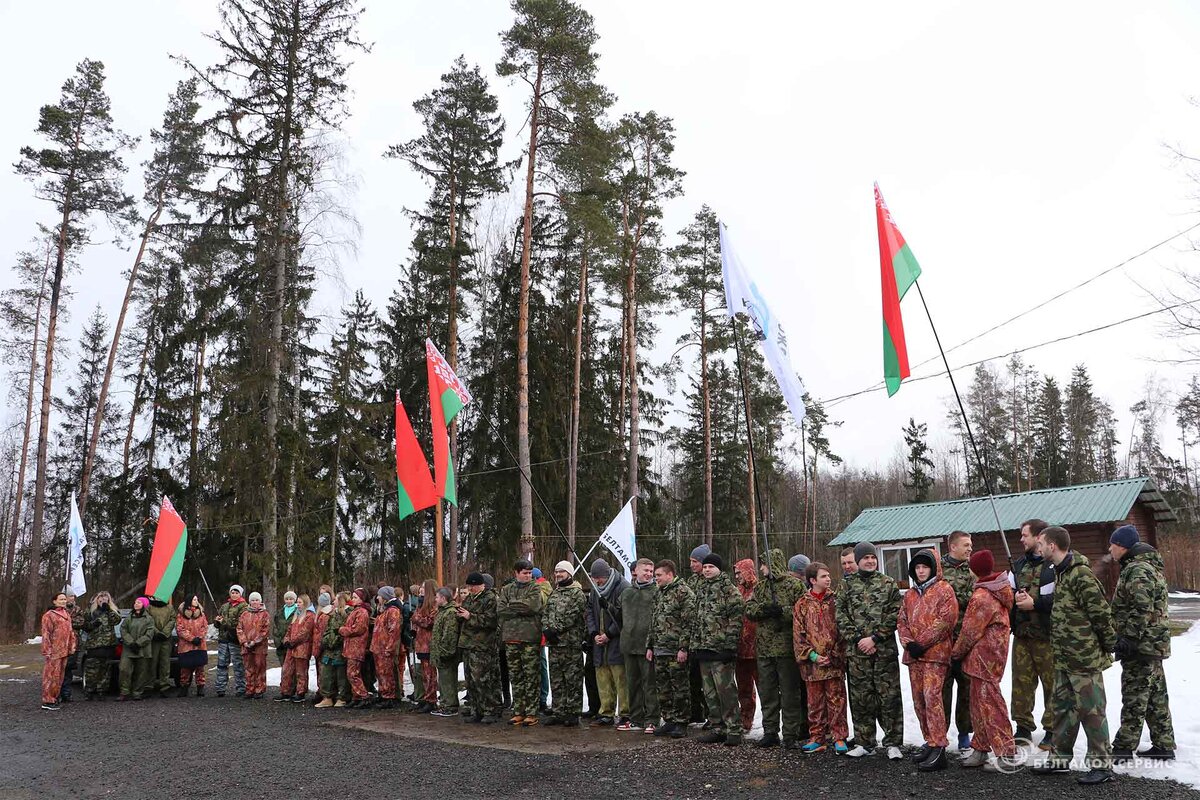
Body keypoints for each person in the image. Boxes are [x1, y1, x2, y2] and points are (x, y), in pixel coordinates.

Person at [1031, 526, 1117, 785]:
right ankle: (1059, 760)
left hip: (1084, 659)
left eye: (1042, 543)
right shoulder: (1061, 573)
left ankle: (1102, 766)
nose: (1039, 547)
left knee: (1092, 713)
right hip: (1064, 658)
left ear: (1053, 546)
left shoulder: (1081, 575)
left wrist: (1111, 644)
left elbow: (1101, 614)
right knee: (1062, 711)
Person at [1108, 525, 1175, 762]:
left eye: (1112, 544)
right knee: (1156, 695)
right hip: (1151, 645)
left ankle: (1124, 746)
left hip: (1141, 646)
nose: (1110, 549)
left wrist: (1129, 639)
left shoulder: (1137, 570)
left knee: (1135, 695)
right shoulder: (1143, 567)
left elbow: (1142, 607)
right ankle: (1164, 743)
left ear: (1123, 546)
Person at [952, 550, 1018, 771]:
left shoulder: (982, 596)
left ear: (974, 570)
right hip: (988, 657)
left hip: (984, 658)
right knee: (978, 705)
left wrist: (955, 653)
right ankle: (980, 748)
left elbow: (970, 631)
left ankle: (1007, 753)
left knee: (991, 705)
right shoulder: (997, 588)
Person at [837, 542, 903, 760]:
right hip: (857, 654)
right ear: (858, 560)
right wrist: (858, 640)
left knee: (889, 697)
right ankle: (864, 742)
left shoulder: (888, 583)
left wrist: (875, 638)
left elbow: (896, 614)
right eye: (865, 558)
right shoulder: (846, 586)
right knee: (861, 698)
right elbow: (840, 615)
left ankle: (893, 742)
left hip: (884, 652)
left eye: (872, 557)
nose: (870, 561)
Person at [898, 549, 958, 771]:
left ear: (933, 568)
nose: (921, 570)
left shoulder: (944, 590)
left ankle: (940, 747)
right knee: (918, 700)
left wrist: (921, 643)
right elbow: (901, 621)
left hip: (935, 655)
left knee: (932, 697)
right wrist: (908, 643)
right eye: (917, 567)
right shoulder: (910, 595)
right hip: (914, 656)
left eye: (925, 567)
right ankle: (930, 741)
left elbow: (946, 621)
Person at [744, 548, 808, 749]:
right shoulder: (761, 588)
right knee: (768, 693)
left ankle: (791, 732)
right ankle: (770, 731)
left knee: (790, 693)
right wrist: (764, 609)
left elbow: (804, 610)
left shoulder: (795, 585)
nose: (761, 568)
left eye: (764, 564)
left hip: (787, 649)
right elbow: (749, 609)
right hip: (764, 649)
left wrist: (783, 611)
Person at [793, 562, 848, 754]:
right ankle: (817, 737)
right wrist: (813, 656)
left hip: (834, 662)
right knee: (815, 703)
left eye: (828, 575)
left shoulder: (836, 600)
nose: (828, 579)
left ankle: (839, 737)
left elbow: (843, 630)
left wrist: (833, 655)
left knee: (837, 701)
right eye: (824, 576)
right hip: (812, 665)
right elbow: (798, 635)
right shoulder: (802, 604)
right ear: (812, 580)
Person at [1011, 518, 1056, 749]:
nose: (1021, 539)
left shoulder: (1053, 566)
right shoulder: (1017, 566)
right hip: (1022, 635)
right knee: (1021, 683)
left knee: (1052, 684)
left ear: (1039, 537)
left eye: (1024, 535)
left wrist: (1034, 603)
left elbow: (1059, 599)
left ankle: (1052, 729)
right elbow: (1008, 598)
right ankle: (1023, 727)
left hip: (1047, 637)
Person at [692, 553, 745, 746]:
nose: (706, 570)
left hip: (721, 650)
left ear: (718, 569)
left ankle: (734, 729)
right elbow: (697, 619)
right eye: (705, 567)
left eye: (710, 567)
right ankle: (717, 728)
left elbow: (736, 619)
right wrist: (694, 644)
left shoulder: (729, 590)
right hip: (703, 649)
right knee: (710, 693)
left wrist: (729, 646)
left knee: (726, 692)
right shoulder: (701, 589)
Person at [646, 559, 696, 739]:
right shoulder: (659, 593)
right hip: (659, 649)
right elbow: (654, 620)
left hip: (675, 650)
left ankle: (681, 722)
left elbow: (688, 622)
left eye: (658, 575)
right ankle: (668, 720)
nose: (655, 578)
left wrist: (683, 647)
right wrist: (650, 645)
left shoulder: (684, 593)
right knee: (663, 688)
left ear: (669, 574)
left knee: (680, 688)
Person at [498, 559, 546, 726]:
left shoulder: (535, 588)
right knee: (516, 677)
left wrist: (513, 606)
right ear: (516, 573)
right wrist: (518, 607)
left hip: (529, 638)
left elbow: (532, 607)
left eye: (529, 573)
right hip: (511, 638)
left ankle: (532, 712)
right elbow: (501, 610)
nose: (528, 576)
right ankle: (519, 710)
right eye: (524, 573)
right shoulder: (506, 589)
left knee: (531, 676)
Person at [942, 531, 975, 750]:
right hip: (941, 643)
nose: (970, 548)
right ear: (953, 547)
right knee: (941, 691)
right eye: (966, 545)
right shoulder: (938, 573)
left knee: (966, 690)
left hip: (964, 642)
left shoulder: (972, 575)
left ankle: (964, 734)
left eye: (971, 544)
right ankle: (938, 735)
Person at [618, 557, 660, 732]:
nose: (649, 574)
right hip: (629, 644)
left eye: (651, 572)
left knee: (649, 684)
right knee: (632, 683)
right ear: (636, 571)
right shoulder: (627, 593)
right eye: (646, 571)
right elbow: (619, 615)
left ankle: (652, 719)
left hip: (647, 645)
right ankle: (636, 718)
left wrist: (652, 644)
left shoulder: (656, 593)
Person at [543, 560, 587, 727]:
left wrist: (555, 630)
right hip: (554, 645)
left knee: (572, 680)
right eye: (556, 572)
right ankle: (558, 711)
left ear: (569, 573)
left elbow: (572, 615)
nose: (558, 574)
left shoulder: (577, 593)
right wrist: (547, 630)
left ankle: (573, 712)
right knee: (557, 680)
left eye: (561, 571)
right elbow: (546, 613)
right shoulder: (554, 593)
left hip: (570, 644)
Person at [586, 558, 628, 727]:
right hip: (599, 643)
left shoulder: (622, 587)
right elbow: (589, 611)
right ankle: (606, 712)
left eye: (599, 578)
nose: (597, 582)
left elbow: (624, 615)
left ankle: (625, 713)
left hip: (616, 642)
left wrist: (609, 634)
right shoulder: (595, 589)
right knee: (602, 678)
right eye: (595, 579)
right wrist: (594, 633)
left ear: (606, 574)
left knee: (621, 678)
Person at [458, 572, 501, 723]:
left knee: (483, 679)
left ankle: (490, 709)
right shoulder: (469, 599)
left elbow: (491, 621)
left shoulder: (490, 598)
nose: (471, 589)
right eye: (469, 586)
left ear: (481, 585)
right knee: (470, 679)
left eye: (473, 586)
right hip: (468, 644)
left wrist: (471, 616)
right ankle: (477, 709)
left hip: (483, 646)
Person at [686, 544, 710, 725]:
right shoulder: (691, 581)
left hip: (708, 637)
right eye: (691, 561)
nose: (692, 565)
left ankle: (712, 714)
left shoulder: (710, 581)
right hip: (692, 636)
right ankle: (696, 712)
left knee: (708, 682)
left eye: (695, 561)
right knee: (693, 678)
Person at [733, 558, 757, 734]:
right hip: (740, 649)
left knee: (764, 688)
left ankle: (771, 723)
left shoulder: (760, 590)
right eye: (735, 574)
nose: (737, 577)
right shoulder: (736, 592)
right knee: (744, 688)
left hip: (757, 649)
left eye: (739, 573)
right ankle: (745, 719)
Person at [40, 592, 76, 710]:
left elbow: (70, 632)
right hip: (54, 651)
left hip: (64, 650)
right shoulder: (49, 615)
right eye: (61, 599)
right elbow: (46, 633)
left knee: (60, 676)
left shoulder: (66, 613)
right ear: (54, 601)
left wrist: (72, 646)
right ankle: (48, 700)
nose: (64, 601)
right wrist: (47, 650)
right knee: (51, 676)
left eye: (65, 599)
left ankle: (55, 696)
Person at [316, 592, 351, 708]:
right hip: (329, 649)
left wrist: (335, 641)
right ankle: (327, 697)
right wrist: (326, 641)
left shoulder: (348, 613)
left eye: (335, 599)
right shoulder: (333, 614)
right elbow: (328, 630)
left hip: (340, 649)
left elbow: (343, 631)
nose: (333, 602)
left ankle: (342, 697)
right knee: (327, 673)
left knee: (341, 675)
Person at [431, 587, 462, 717]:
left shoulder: (449, 613)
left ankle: (450, 705)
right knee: (443, 680)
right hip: (440, 652)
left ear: (443, 598)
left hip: (446, 653)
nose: (435, 599)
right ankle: (444, 703)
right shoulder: (442, 612)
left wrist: (445, 652)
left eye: (437, 597)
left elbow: (449, 635)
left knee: (448, 679)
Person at [83, 591, 121, 699]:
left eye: (105, 598)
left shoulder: (112, 611)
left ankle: (102, 691)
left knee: (105, 671)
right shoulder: (91, 611)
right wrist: (92, 624)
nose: (102, 600)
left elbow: (117, 621)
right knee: (91, 670)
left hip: (108, 645)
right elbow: (85, 625)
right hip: (94, 645)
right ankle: (89, 691)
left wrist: (108, 609)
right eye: (101, 598)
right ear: (97, 599)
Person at [339, 588, 371, 707]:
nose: (352, 599)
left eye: (355, 597)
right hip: (351, 646)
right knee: (351, 673)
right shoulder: (356, 610)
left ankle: (363, 696)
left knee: (353, 673)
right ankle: (356, 696)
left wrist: (343, 630)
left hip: (356, 647)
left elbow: (358, 629)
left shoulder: (362, 612)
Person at [213, 584, 248, 697]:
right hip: (223, 640)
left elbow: (237, 624)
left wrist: (224, 621)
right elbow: (218, 624)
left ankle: (241, 688)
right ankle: (220, 688)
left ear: (240, 594)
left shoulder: (244, 607)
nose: (234, 594)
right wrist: (217, 621)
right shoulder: (224, 606)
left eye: (236, 592)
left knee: (238, 665)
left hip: (235, 640)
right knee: (221, 664)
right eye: (232, 592)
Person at [279, 593, 314, 703]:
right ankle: (286, 692)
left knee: (301, 672)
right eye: (297, 602)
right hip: (291, 647)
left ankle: (301, 692)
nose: (297, 604)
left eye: (300, 602)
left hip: (302, 647)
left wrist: (293, 641)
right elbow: (290, 629)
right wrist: (286, 640)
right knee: (287, 670)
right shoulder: (297, 614)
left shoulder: (309, 616)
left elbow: (305, 632)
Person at [117, 597, 154, 701]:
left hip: (143, 649)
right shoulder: (129, 617)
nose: (136, 604)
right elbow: (123, 630)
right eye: (135, 602)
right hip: (129, 649)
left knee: (141, 671)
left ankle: (137, 692)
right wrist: (131, 643)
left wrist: (138, 644)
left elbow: (149, 634)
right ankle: (124, 691)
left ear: (144, 605)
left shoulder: (149, 619)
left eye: (138, 602)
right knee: (124, 669)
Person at [411, 578, 440, 712]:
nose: (420, 590)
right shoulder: (421, 604)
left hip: (429, 644)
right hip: (421, 643)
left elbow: (428, 622)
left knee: (430, 674)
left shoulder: (434, 605)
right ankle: (425, 698)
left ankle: (431, 699)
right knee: (424, 673)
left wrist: (416, 618)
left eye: (423, 587)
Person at [237, 591, 271, 699]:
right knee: (248, 668)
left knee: (259, 667)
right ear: (249, 601)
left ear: (260, 601)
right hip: (246, 646)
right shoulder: (244, 614)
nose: (255, 602)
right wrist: (244, 641)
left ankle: (259, 689)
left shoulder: (265, 614)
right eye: (253, 600)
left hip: (259, 646)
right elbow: (239, 628)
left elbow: (265, 630)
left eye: (257, 600)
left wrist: (255, 641)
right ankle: (249, 689)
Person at [176, 595, 209, 697]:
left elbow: (205, 627)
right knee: (185, 668)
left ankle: (200, 688)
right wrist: (191, 638)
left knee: (200, 667)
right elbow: (180, 629)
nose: (196, 601)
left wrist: (199, 638)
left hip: (200, 645)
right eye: (195, 599)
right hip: (186, 646)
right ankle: (184, 687)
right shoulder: (181, 615)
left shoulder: (201, 614)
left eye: (197, 599)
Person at [146, 593, 176, 698]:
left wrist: (164, 633)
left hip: (166, 639)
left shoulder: (169, 607)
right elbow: (148, 620)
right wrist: (155, 632)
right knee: (152, 662)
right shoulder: (149, 607)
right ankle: (149, 685)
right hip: (154, 639)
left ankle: (165, 686)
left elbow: (172, 620)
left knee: (165, 663)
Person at [59, 593, 85, 702]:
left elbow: (81, 622)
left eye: (73, 596)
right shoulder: (57, 610)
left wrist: (67, 621)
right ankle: (56, 693)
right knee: (59, 669)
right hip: (60, 643)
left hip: (73, 643)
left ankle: (66, 693)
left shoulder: (78, 610)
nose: (71, 599)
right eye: (69, 596)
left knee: (68, 668)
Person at [273, 590, 299, 667]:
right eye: (287, 599)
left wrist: (291, 641)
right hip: (281, 646)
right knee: (284, 669)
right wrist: (278, 642)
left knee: (292, 669)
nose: (289, 601)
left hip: (291, 645)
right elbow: (275, 627)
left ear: (294, 600)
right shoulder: (280, 612)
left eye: (291, 599)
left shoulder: (297, 612)